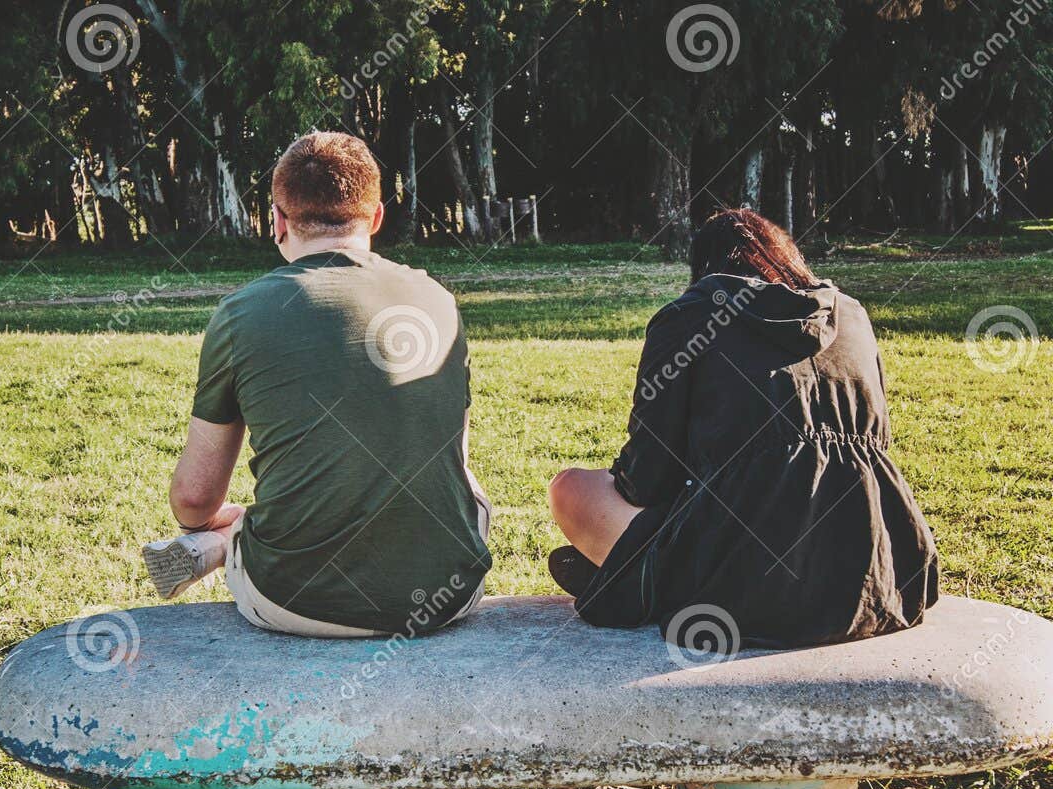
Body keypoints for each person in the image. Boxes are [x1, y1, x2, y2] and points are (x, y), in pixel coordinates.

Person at [142, 131, 492, 638]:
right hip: (450, 594)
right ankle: (235, 537)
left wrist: (205, 524)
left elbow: (194, 499)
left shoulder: (242, 313)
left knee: (237, 521)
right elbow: (450, 460)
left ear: (279, 222)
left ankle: (224, 543)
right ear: (375, 217)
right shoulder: (438, 300)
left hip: (295, 600)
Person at [547, 208, 938, 648]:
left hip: (743, 589)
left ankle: (631, 579)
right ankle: (628, 576)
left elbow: (647, 479)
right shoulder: (851, 316)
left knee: (570, 487)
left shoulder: (688, 318)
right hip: (879, 572)